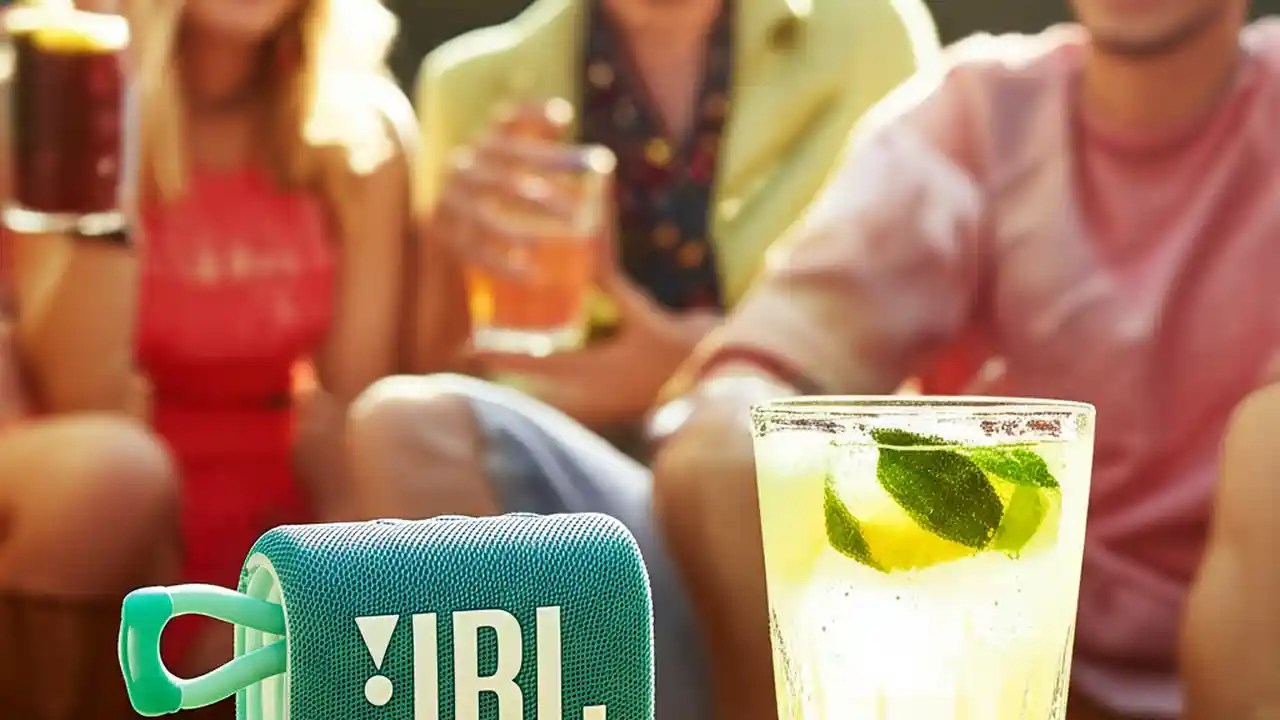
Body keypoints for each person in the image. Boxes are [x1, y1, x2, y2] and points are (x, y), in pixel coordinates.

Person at [362, 0, 1280, 718]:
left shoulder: (858, 32)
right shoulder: (984, 108)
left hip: (1222, 638)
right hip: (931, 635)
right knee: (413, 433)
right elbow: (750, 383)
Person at [647, 0, 1280, 717]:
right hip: (978, 645)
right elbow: (743, 389)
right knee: (727, 449)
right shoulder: (977, 111)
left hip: (1242, 645)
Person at [346, 0, 938, 716]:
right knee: (398, 425)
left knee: (727, 440)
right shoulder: (469, 81)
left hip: (801, 523)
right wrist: (445, 249)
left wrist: (676, 366)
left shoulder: (868, 33)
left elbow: (903, 355)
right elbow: (450, 366)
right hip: (596, 511)